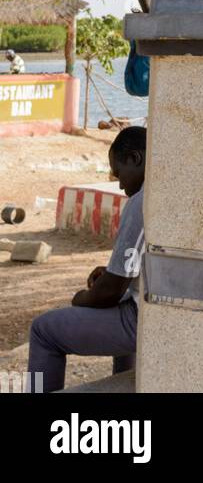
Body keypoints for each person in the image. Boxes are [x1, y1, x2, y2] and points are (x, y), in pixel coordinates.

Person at [26, 126, 146, 392]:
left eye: (118, 173)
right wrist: (111, 273)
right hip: (154, 310)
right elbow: (131, 269)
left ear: (135, 159)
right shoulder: (162, 193)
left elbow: (109, 293)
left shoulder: (141, 201)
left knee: (43, 331)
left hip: (143, 320)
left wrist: (80, 298)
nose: (119, 184)